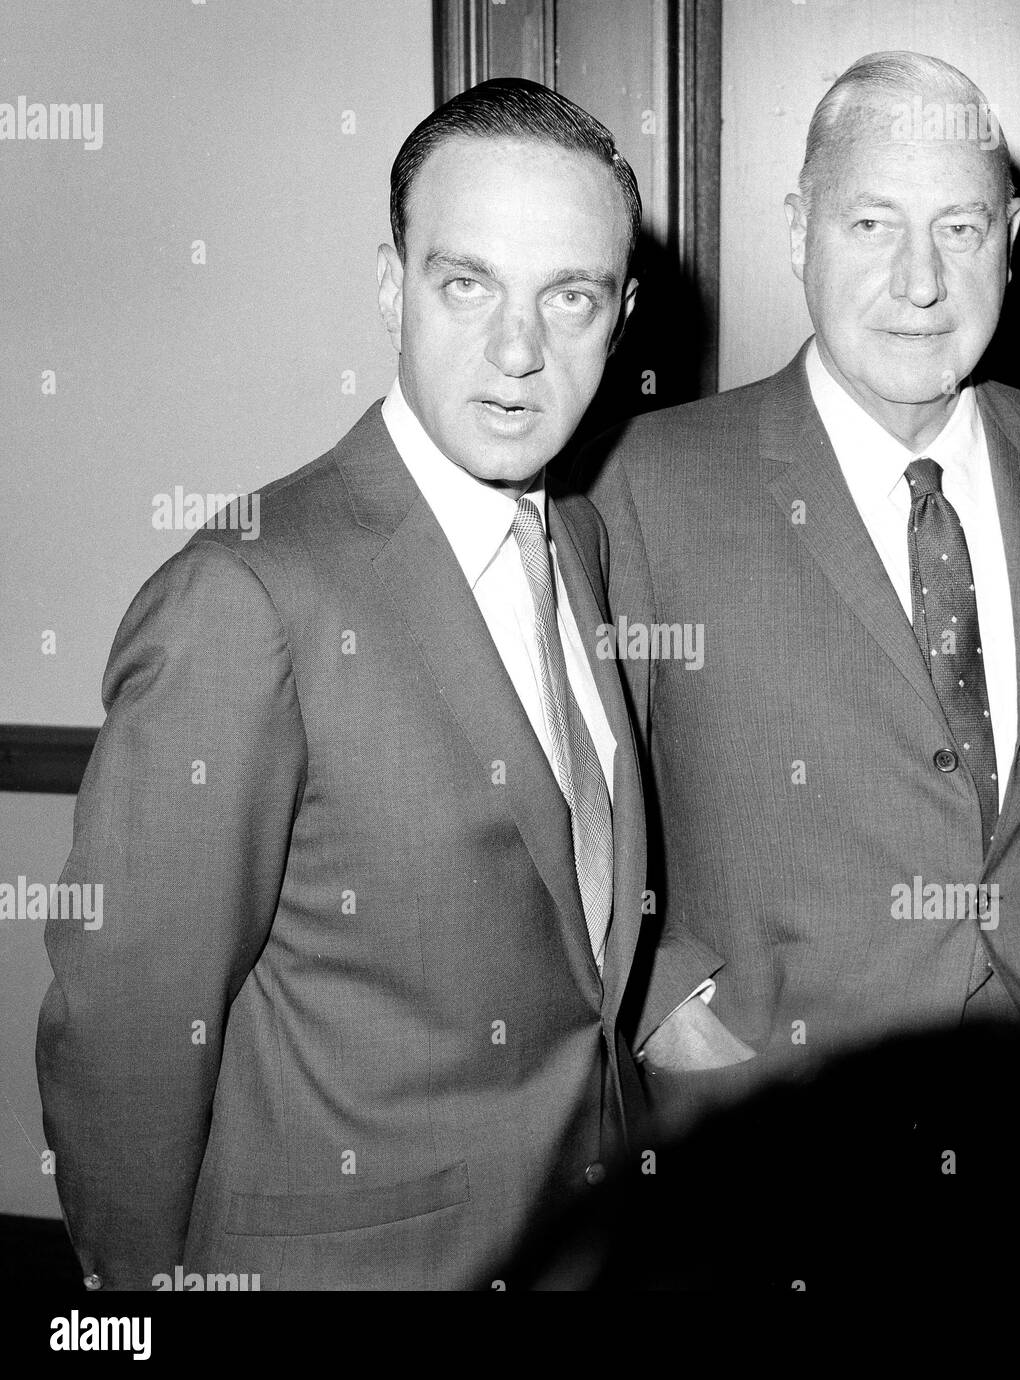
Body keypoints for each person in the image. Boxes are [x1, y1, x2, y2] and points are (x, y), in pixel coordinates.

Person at [36, 77, 698, 1291]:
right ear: (391, 285)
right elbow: (122, 1038)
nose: (517, 351)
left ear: (622, 315)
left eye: (570, 296)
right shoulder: (244, 597)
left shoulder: (584, 546)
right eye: (467, 283)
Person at [582, 52, 1020, 1097]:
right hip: (771, 1126)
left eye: (959, 229)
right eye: (872, 225)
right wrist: (675, 1022)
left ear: (1005, 246)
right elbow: (578, 812)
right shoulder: (638, 483)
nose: (920, 282)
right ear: (796, 233)